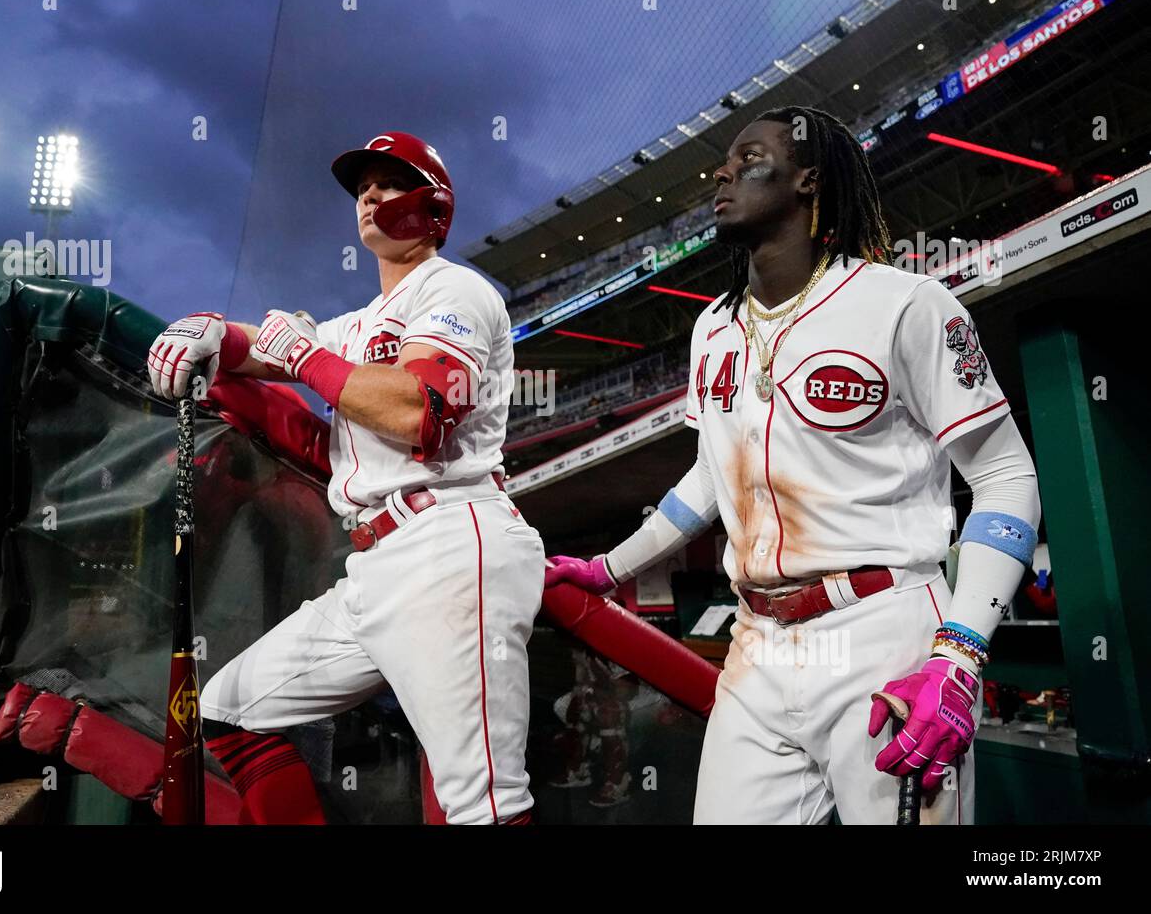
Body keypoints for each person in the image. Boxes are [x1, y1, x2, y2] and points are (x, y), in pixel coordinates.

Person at [545, 106, 1039, 824]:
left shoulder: (907, 303)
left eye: (748, 158)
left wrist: (958, 658)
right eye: (724, 160)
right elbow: (714, 476)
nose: (721, 171)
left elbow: (1005, 478)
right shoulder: (713, 327)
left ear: (809, 179)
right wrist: (609, 568)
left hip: (885, 630)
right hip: (756, 647)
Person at [147, 131, 545, 824]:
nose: (369, 194)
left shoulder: (456, 289)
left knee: (485, 807)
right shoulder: (358, 324)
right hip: (376, 565)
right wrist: (211, 330)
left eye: (390, 183)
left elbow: (419, 412)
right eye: (363, 187)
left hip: (450, 545)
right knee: (231, 708)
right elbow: (255, 350)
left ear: (435, 208)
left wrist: (303, 355)